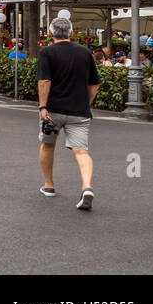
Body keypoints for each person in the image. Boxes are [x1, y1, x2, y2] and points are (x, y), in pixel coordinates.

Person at [36, 16, 100, 211]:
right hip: (79, 111)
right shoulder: (85, 52)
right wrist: (86, 102)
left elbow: (44, 81)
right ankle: (87, 187)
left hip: (53, 110)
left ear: (50, 33)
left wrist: (42, 106)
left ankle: (49, 185)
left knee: (48, 145)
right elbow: (95, 83)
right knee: (82, 151)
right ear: (71, 33)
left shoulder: (47, 52)